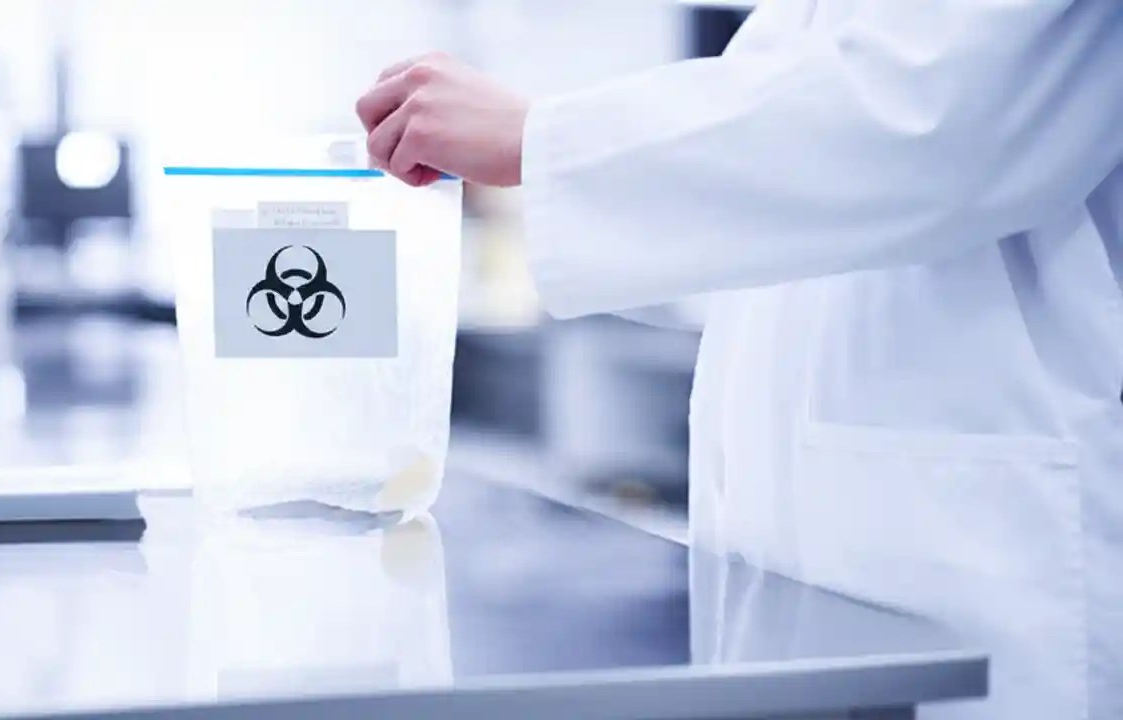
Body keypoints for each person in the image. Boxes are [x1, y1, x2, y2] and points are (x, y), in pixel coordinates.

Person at [357, 1, 1123, 718]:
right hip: (836, 509)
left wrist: (539, 138)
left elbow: (938, 115)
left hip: (983, 517)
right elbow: (787, 123)